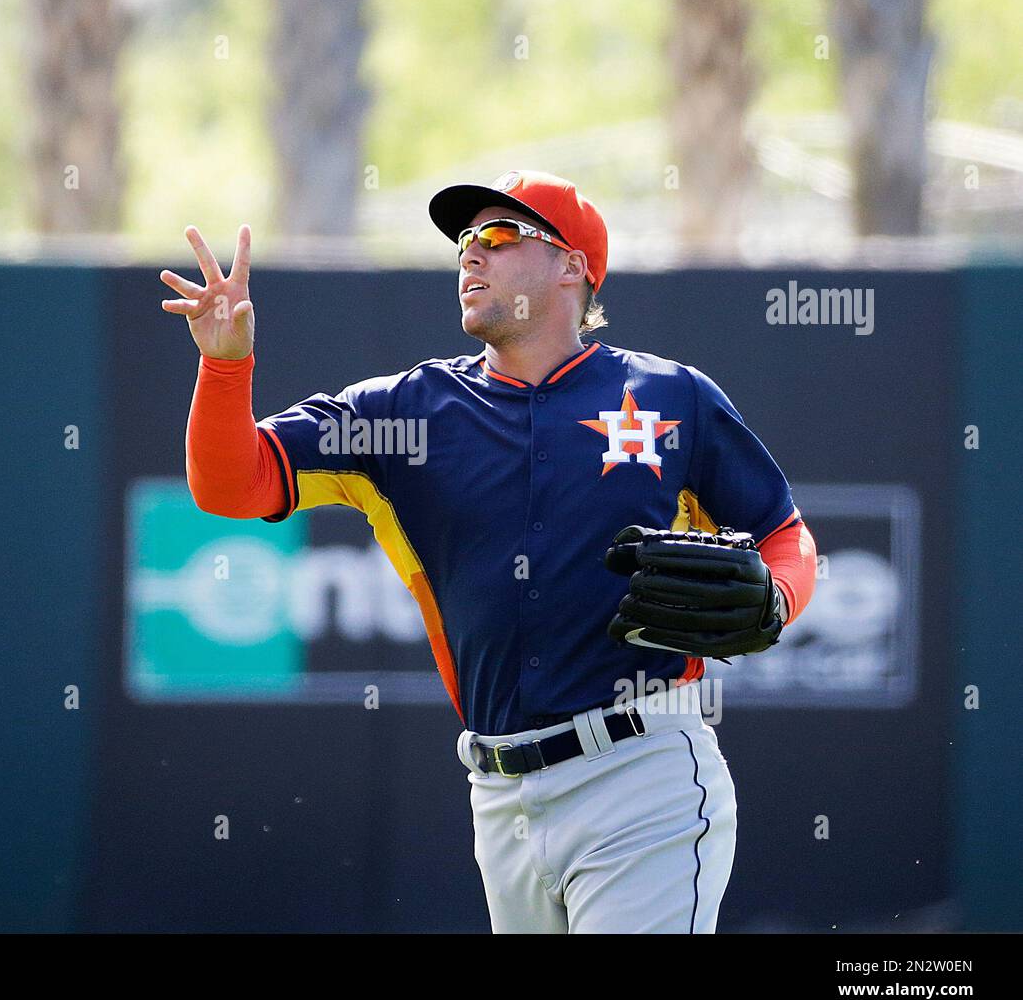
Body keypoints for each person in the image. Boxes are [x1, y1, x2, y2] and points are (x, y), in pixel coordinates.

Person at [161, 169, 817, 933]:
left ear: (572, 266)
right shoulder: (401, 414)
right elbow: (231, 486)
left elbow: (785, 535)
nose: (471, 255)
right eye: (465, 243)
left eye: (499, 237)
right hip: (501, 797)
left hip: (643, 772)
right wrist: (224, 366)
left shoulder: (672, 397)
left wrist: (779, 594)